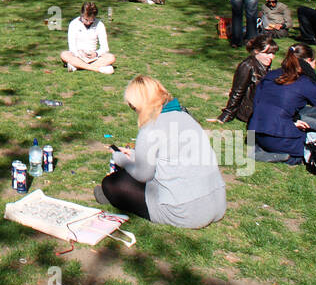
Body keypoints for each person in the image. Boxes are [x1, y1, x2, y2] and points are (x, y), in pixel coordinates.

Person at [94, 76, 227, 229]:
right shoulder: (186, 117)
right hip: (217, 204)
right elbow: (172, 157)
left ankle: (110, 195)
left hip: (185, 213)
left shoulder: (151, 128)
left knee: (112, 183)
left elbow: (144, 175)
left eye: (133, 107)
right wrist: (135, 155)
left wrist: (121, 159)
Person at [248, 43, 316, 163]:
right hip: (278, 137)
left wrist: (292, 121)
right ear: (309, 61)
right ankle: (284, 157)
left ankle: (265, 150)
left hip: (256, 133)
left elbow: (260, 103)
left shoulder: (271, 75)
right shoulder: (304, 83)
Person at [212, 34, 278, 125]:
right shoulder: (247, 66)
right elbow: (237, 92)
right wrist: (226, 115)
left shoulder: (265, 64)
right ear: (256, 51)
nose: (271, 57)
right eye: (267, 53)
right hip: (250, 112)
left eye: (273, 53)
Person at [60, 2, 116, 74]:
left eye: (91, 20)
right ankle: (98, 69)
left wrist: (96, 54)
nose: (88, 23)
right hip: (78, 56)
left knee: (111, 57)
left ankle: (77, 66)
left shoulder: (100, 25)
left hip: (93, 57)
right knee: (64, 54)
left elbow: (105, 48)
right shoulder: (73, 24)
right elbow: (72, 46)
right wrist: (79, 53)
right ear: (82, 14)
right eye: (86, 20)